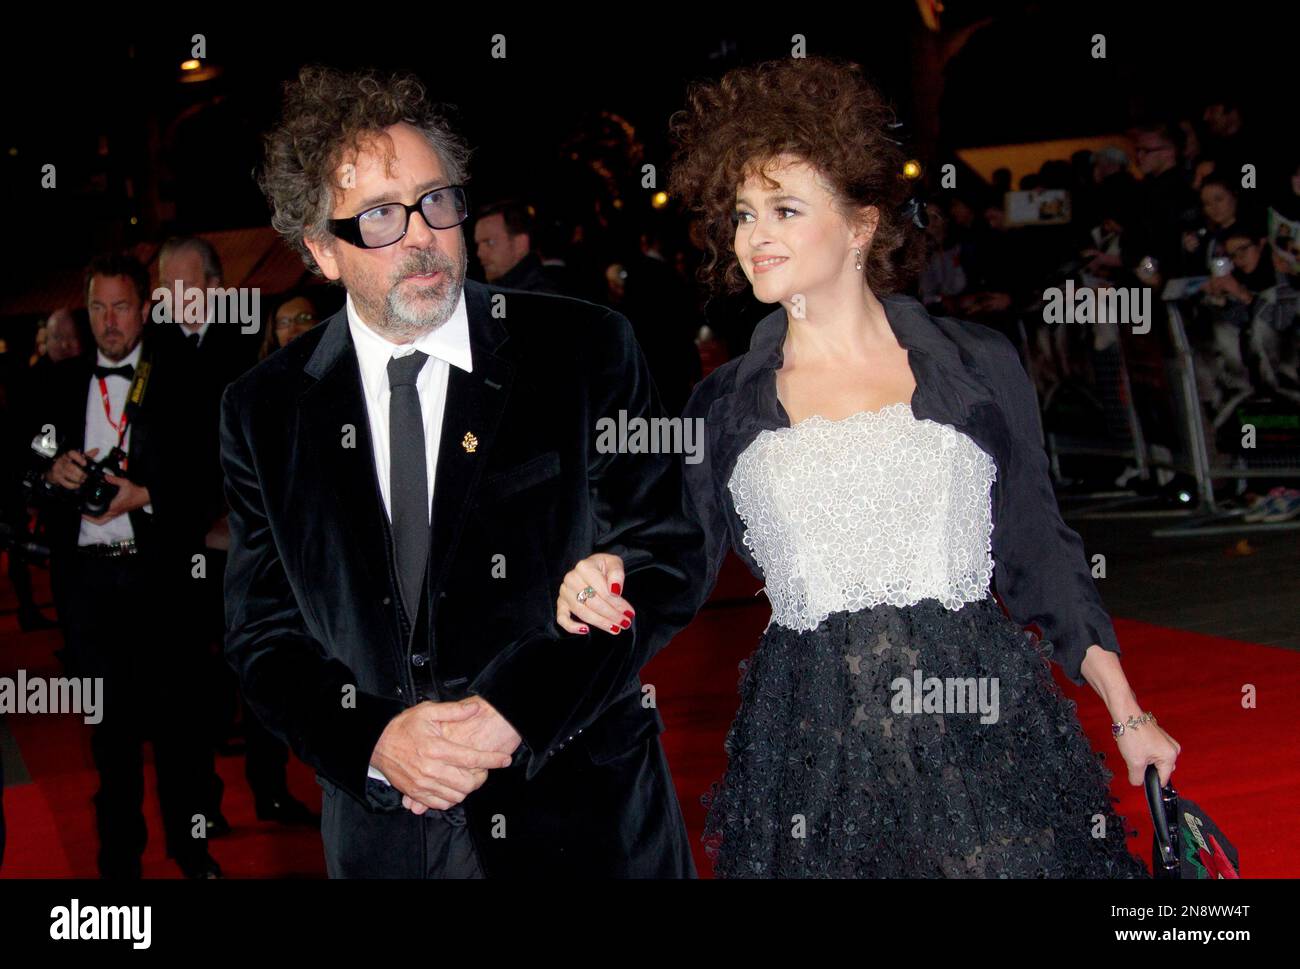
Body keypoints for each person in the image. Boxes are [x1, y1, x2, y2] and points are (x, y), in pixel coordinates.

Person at [556, 56, 1180, 878]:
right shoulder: (725, 406)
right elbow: (677, 555)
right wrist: (610, 569)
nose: (754, 236)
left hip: (982, 732)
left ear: (860, 225)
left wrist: (1128, 714)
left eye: (783, 209)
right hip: (814, 751)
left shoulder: (973, 364)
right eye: (742, 214)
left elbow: (1039, 549)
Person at [222, 66, 703, 877]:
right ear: (319, 250)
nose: (421, 235)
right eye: (379, 216)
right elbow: (263, 634)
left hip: (587, 829)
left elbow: (662, 557)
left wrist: (518, 706)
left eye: (435, 200)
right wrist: (370, 739)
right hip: (388, 846)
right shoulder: (264, 411)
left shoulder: (583, 349)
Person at [24, 252, 222, 878]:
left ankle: (193, 855)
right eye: (98, 307)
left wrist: (149, 493)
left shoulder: (183, 378)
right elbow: (24, 457)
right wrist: (48, 471)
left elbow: (214, 477)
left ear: (144, 308)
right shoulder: (56, 382)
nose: (110, 321)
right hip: (87, 590)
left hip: (161, 581)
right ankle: (119, 870)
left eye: (121, 306)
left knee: (179, 733)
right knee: (108, 740)